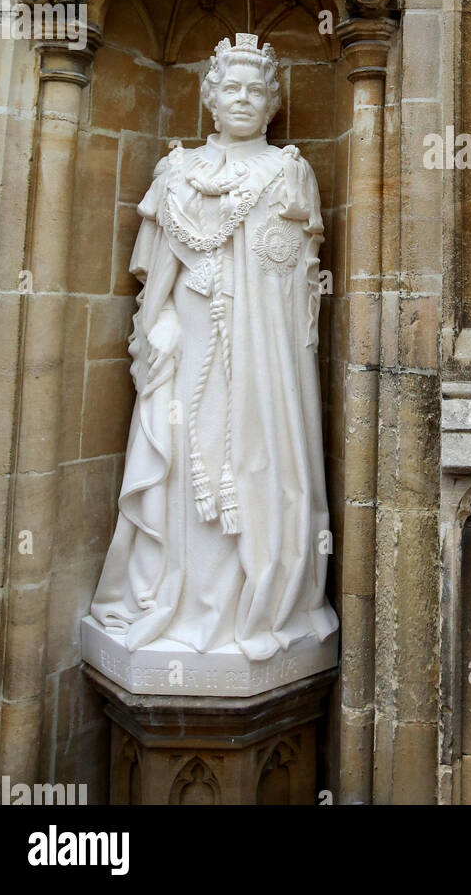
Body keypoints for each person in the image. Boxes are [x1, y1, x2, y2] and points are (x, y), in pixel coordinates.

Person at [88, 34, 338, 664]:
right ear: (210, 97)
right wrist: (156, 326)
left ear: (273, 100)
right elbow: (159, 273)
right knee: (185, 463)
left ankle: (257, 601)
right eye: (232, 87)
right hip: (192, 349)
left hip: (264, 360)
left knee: (257, 464)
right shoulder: (178, 171)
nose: (245, 98)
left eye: (257, 89)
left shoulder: (288, 172)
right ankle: (187, 600)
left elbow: (300, 290)